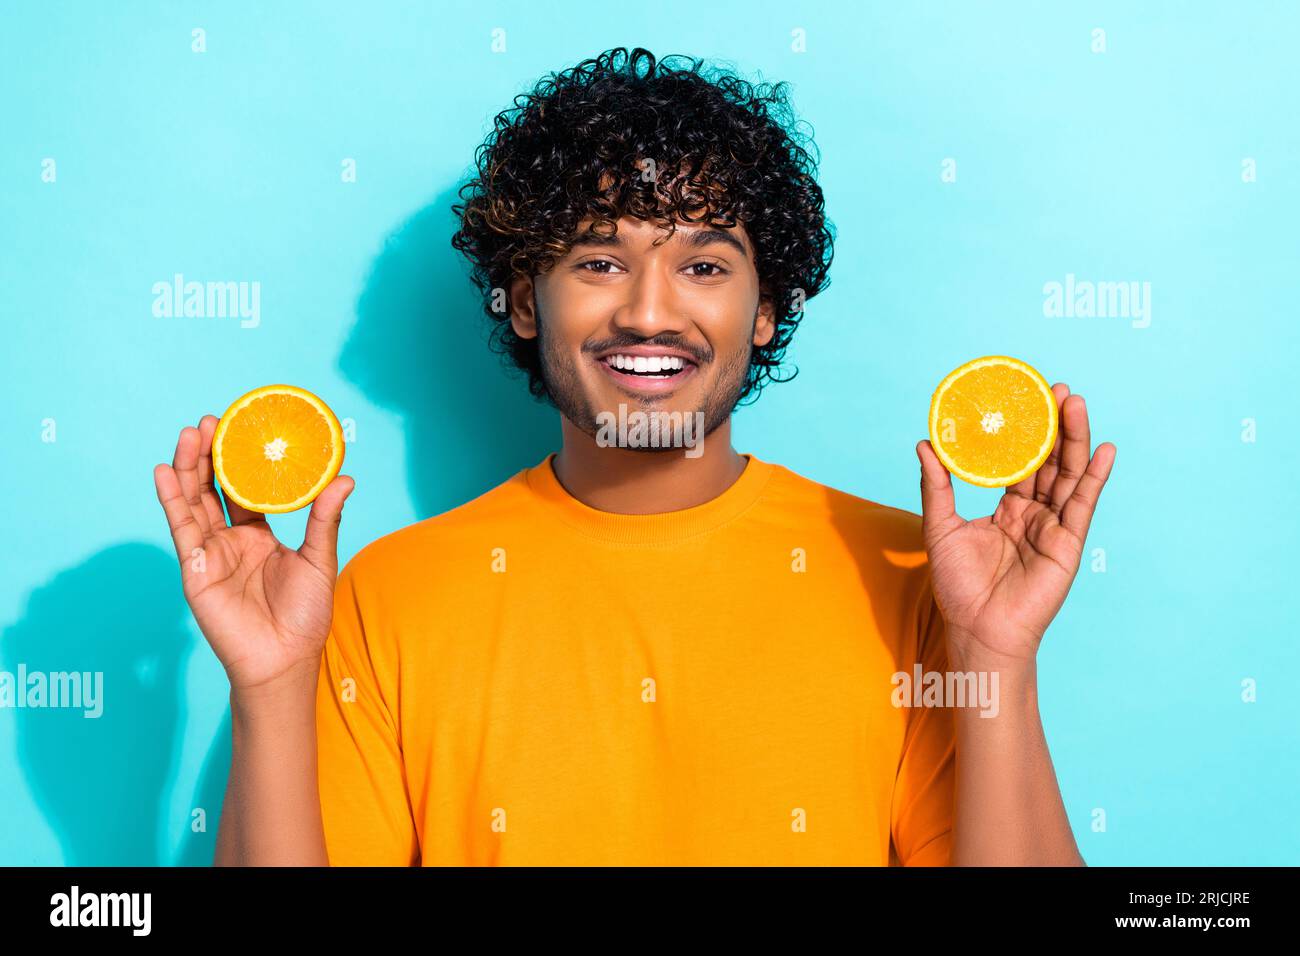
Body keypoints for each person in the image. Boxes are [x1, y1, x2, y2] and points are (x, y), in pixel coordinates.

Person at [152, 47, 1115, 866]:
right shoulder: (385, 598)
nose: (650, 311)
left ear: (766, 308)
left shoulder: (914, 581)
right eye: (599, 261)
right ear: (526, 302)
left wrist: (994, 658)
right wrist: (272, 688)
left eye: (703, 265)